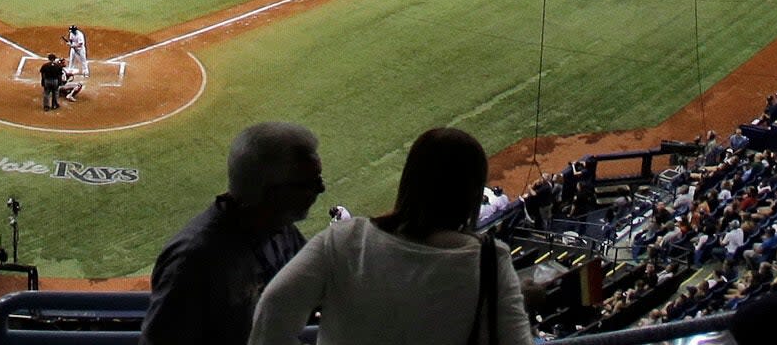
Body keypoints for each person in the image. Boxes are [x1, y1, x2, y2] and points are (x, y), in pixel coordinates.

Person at [246, 127, 528, 345]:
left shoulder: (344, 239)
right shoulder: (491, 261)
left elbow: (272, 311)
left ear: (409, 181)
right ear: (473, 193)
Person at [143, 122, 324, 345]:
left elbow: (314, 287)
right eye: (308, 183)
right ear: (268, 190)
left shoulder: (280, 228)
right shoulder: (193, 261)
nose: (321, 189)